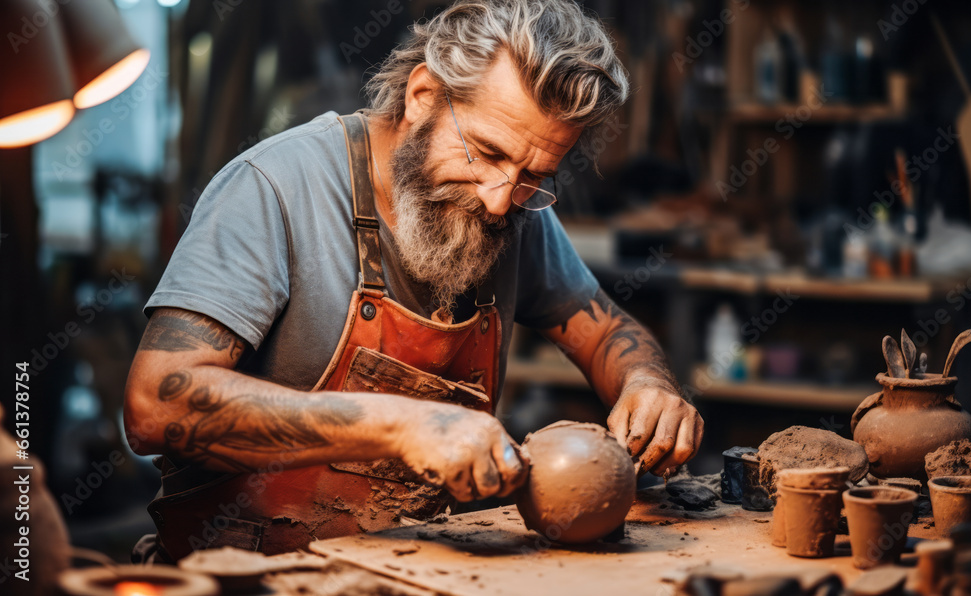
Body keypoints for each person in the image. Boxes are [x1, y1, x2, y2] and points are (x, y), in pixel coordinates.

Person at [125, 0, 703, 561]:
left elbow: (604, 333)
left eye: (534, 175)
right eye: (485, 152)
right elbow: (156, 405)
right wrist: (402, 426)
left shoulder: (513, 205)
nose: (501, 200)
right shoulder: (274, 188)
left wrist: (646, 384)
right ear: (423, 97)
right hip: (254, 574)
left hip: (421, 571)